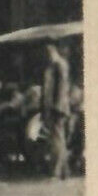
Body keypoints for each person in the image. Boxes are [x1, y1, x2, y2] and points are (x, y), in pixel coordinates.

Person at [41, 41, 72, 180]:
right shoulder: (53, 65)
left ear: (54, 50)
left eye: (49, 52)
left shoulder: (59, 65)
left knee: (57, 140)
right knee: (58, 139)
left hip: (57, 108)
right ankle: (64, 172)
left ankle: (56, 172)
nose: (47, 55)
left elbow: (61, 88)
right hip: (53, 107)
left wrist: (57, 106)